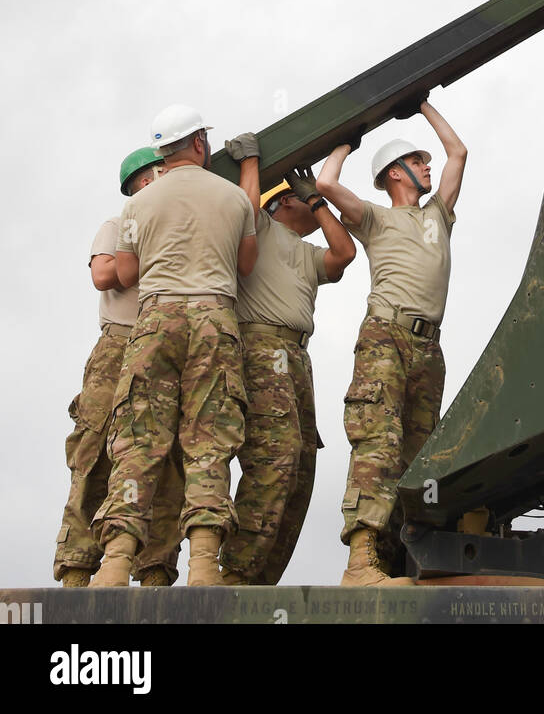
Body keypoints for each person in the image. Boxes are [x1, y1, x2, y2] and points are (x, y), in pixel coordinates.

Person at [90, 104, 257, 587]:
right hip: (214, 316)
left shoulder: (138, 204)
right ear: (200, 143)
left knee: (139, 439)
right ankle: (204, 565)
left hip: (157, 317)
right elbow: (247, 264)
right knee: (209, 439)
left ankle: (116, 563)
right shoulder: (232, 199)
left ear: (163, 150)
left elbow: (123, 275)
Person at [317, 98, 467, 586]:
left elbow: (458, 152)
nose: (428, 166)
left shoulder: (437, 215)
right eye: (418, 161)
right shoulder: (376, 218)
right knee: (378, 443)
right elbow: (325, 184)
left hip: (429, 347)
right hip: (386, 335)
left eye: (426, 160)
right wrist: (345, 142)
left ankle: (396, 558)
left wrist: (422, 105)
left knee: (418, 456)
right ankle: (360, 562)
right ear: (396, 174)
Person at [217, 133, 357, 586]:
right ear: (281, 202)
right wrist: (253, 161)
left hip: (297, 357)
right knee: (273, 459)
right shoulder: (260, 228)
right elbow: (245, 207)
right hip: (261, 349)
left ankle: (257, 582)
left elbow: (345, 253)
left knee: (299, 469)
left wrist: (317, 199)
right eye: (296, 194)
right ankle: (235, 574)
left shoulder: (309, 252)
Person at [53, 147, 184, 587]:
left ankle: (155, 570)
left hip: (165, 347)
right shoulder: (120, 224)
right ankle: (78, 566)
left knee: (164, 461)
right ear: (142, 185)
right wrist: (157, 246)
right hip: (120, 344)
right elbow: (105, 275)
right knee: (94, 453)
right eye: (158, 174)